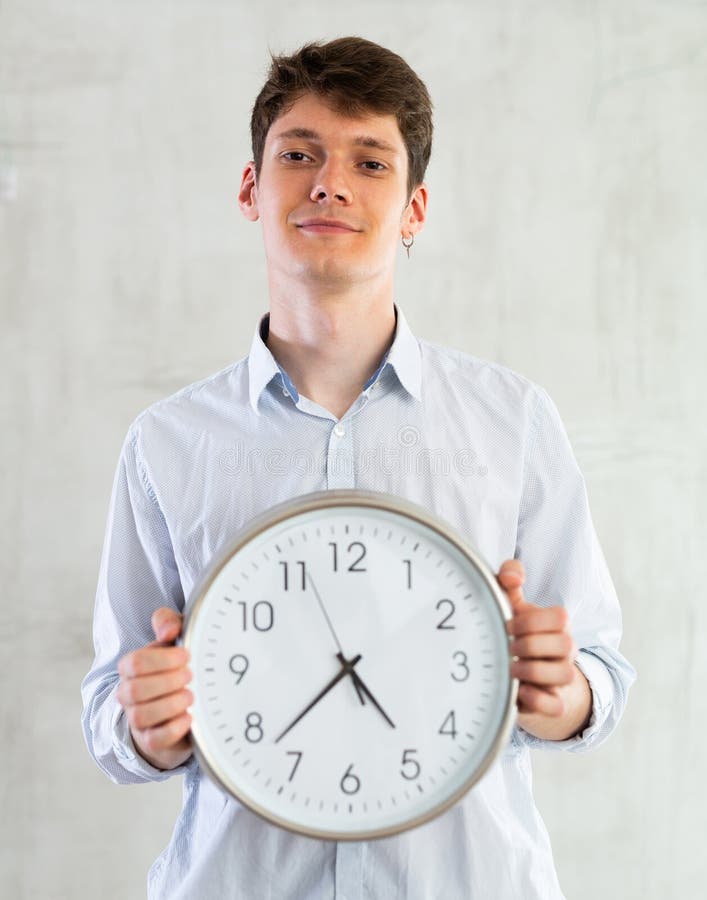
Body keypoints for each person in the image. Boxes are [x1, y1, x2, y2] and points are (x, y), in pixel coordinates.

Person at [81, 36, 635, 899]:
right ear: (249, 189)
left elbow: (601, 676)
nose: (329, 182)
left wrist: (559, 692)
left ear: (413, 209)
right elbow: (107, 713)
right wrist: (144, 725)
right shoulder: (168, 441)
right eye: (298, 154)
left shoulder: (512, 422)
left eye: (369, 162)